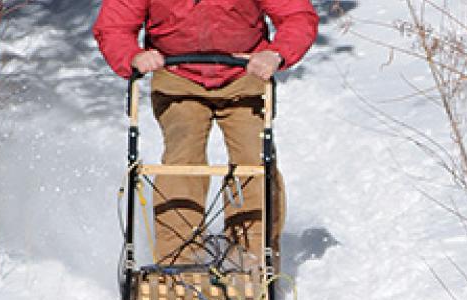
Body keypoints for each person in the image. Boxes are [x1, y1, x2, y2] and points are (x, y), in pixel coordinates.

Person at [93, 0, 319, 268]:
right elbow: (114, 25)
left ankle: (253, 259)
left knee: (253, 160)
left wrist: (276, 53)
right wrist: (133, 55)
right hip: (176, 76)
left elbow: (297, 15)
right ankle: (178, 261)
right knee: (182, 158)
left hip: (244, 73)